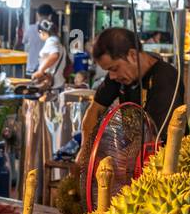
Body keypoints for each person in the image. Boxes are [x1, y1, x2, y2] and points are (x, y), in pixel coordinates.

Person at [77, 27, 180, 166]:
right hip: (132, 159)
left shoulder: (165, 79)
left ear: (132, 55)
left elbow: (157, 139)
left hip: (165, 163)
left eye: (114, 69)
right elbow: (94, 111)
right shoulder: (119, 77)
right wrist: (85, 152)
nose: (112, 76)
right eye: (109, 71)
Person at [33, 19, 69, 89]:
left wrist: (41, 70)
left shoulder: (51, 41)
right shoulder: (57, 41)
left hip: (53, 84)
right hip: (57, 82)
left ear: (42, 32)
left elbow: (55, 55)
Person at [24, 4, 57, 75]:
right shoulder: (54, 31)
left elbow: (24, 41)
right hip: (47, 70)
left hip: (31, 68)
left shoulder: (30, 28)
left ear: (37, 14)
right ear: (50, 16)